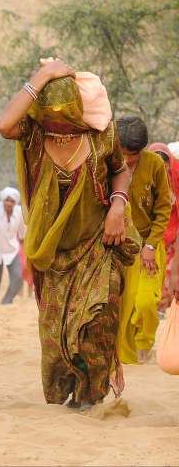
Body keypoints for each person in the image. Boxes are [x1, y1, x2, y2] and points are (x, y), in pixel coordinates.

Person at [0, 60, 139, 407]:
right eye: (49, 113)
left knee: (97, 319)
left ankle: (90, 396)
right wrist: (41, 76)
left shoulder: (100, 134)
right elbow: (4, 124)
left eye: (64, 113)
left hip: (97, 244)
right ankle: (69, 392)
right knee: (58, 333)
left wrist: (118, 208)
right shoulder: (33, 134)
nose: (57, 122)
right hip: (54, 254)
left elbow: (120, 172)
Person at [115, 118, 171, 364]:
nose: (127, 161)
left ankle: (144, 342)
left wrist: (150, 246)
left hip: (149, 248)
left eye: (133, 156)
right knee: (124, 307)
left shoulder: (155, 165)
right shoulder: (106, 163)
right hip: (118, 248)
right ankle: (128, 356)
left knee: (147, 303)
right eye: (123, 155)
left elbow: (163, 209)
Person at [148, 142, 179, 314]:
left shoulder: (177, 174)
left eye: (165, 168)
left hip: (173, 228)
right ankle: (156, 305)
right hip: (154, 229)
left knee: (170, 268)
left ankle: (166, 304)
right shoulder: (142, 171)